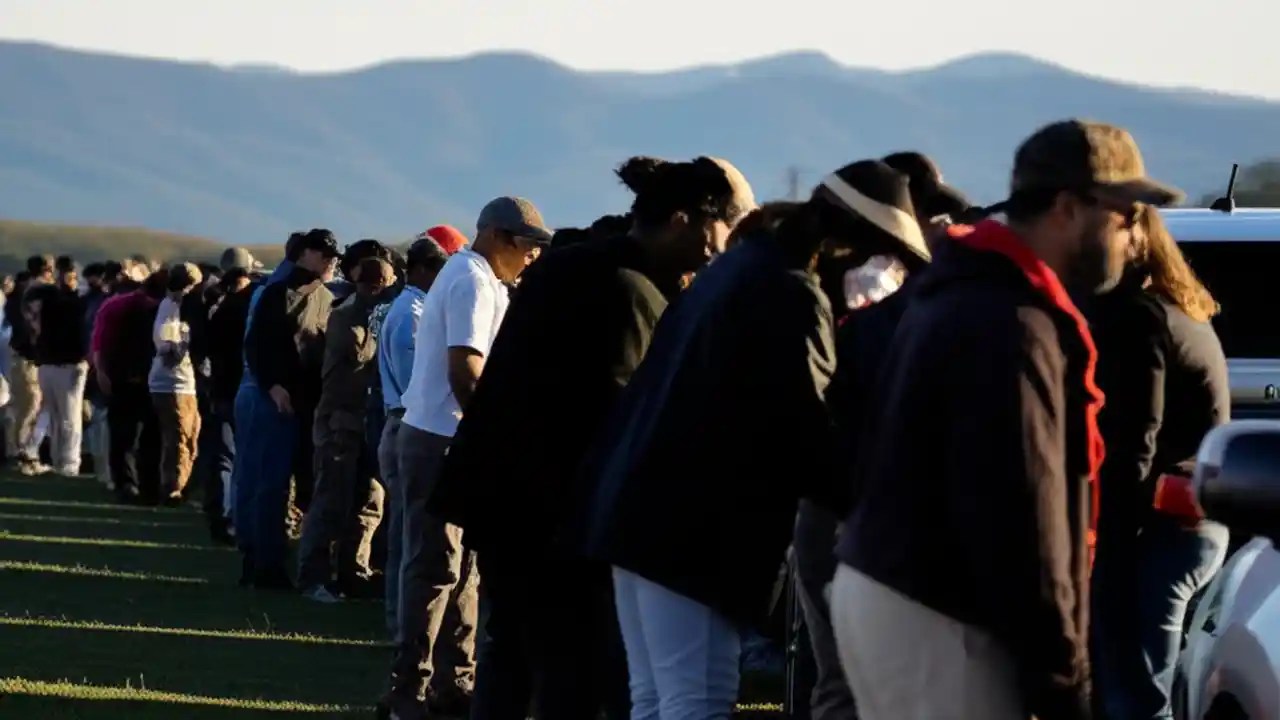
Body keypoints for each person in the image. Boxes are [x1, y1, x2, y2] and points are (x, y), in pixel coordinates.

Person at [832, 120, 1183, 720]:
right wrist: (1063, 684)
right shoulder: (1010, 325)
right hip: (941, 615)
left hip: (901, 591)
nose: (1134, 236)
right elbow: (1024, 519)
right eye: (1126, 217)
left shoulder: (965, 293)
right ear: (1070, 208)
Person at [575, 160, 916, 719]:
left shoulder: (740, 269)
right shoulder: (791, 293)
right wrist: (873, 511)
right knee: (696, 700)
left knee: (658, 698)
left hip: (637, 515)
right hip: (694, 528)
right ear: (850, 244)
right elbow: (808, 431)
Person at [432, 156, 756, 720]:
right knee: (571, 670)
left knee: (511, 656)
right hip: (557, 518)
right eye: (723, 228)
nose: (720, 248)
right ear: (685, 220)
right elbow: (617, 419)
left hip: (513, 504)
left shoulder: (583, 267)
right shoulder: (626, 289)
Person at [385, 197, 552, 720]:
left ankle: (453, 682)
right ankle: (410, 690)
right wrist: (492, 437)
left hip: (442, 434)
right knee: (435, 569)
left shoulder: (472, 275)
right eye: (527, 246)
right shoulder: (473, 282)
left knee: (462, 570)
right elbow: (466, 369)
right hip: (442, 437)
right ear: (500, 237)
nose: (531, 258)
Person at [1088, 209, 1230, 720]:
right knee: (1148, 690)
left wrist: (1105, 532)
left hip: (1157, 526)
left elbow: (1135, 439)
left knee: (1135, 696)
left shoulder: (1138, 314)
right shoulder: (1179, 307)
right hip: (1193, 522)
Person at [235, 229, 339, 589]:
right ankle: (263, 564)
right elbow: (257, 346)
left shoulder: (327, 297)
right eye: (323, 253)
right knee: (269, 484)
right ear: (303, 254)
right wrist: (273, 385)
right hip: (274, 400)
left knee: (301, 486)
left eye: (332, 255)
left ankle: (286, 562)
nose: (330, 260)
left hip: (309, 401)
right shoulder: (275, 293)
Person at [297, 256, 395, 602]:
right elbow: (359, 353)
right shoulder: (346, 316)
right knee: (331, 499)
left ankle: (355, 571)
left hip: (364, 418)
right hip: (339, 419)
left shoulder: (372, 314)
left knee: (370, 500)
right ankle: (314, 575)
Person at [376, 236, 453, 637]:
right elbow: (413, 383)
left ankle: (400, 616)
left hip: (404, 421)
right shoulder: (411, 315)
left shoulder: (413, 309)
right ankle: (400, 619)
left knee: (406, 533)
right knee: (409, 535)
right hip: (407, 421)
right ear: (422, 269)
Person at [93, 268, 168, 503]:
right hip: (134, 378)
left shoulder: (119, 305)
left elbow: (99, 341)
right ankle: (135, 485)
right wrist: (103, 373)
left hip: (134, 376)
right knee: (134, 436)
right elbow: (100, 341)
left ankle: (136, 484)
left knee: (134, 436)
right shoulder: (127, 307)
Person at [204, 266, 255, 544]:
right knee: (241, 458)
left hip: (223, 390)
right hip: (243, 389)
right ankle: (237, 516)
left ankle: (224, 512)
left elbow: (210, 349)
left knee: (225, 458)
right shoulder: (250, 310)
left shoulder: (219, 311)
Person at [148, 263, 204, 504]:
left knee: (189, 436)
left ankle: (181, 483)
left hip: (182, 382)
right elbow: (167, 348)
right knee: (179, 438)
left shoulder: (176, 308)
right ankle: (173, 487)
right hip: (173, 383)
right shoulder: (171, 309)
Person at [27, 256, 88, 476]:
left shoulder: (52, 298)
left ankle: (68, 462)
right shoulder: (71, 300)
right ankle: (63, 461)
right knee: (63, 416)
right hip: (60, 362)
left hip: (60, 363)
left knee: (65, 416)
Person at [6, 257, 52, 475]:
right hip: (27, 358)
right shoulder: (31, 293)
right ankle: (20, 452)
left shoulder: (19, 292)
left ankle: (21, 451)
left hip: (21, 356)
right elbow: (28, 326)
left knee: (25, 404)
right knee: (30, 404)